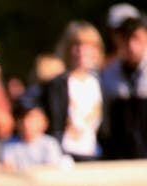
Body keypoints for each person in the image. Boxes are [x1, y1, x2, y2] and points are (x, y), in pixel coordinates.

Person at [42, 21, 105, 162]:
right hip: (65, 154)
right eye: (77, 46)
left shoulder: (101, 82)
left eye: (89, 47)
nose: (82, 52)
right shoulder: (58, 84)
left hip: (95, 154)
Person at [101, 15, 147, 159]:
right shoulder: (109, 75)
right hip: (121, 154)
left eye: (136, 38)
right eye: (126, 40)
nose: (132, 46)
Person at [0, 99, 66, 171]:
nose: (26, 123)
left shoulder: (50, 144)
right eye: (22, 118)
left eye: (31, 119)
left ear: (44, 122)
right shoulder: (9, 144)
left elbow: (52, 169)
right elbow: (7, 168)